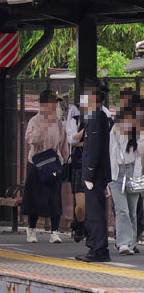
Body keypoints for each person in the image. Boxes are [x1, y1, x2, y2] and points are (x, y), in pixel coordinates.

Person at [23, 90, 69, 243]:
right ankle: (31, 229)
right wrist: (43, 127)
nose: (54, 106)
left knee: (54, 197)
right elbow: (29, 139)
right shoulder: (34, 121)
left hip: (53, 164)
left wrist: (64, 160)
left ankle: (54, 232)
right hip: (36, 163)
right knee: (34, 198)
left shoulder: (58, 122)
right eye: (51, 102)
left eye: (55, 103)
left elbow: (63, 144)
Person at [76, 79, 112, 263]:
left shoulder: (97, 117)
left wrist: (89, 172)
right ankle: (94, 246)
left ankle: (99, 249)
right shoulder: (94, 116)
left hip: (95, 175)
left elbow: (96, 148)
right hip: (95, 174)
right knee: (93, 212)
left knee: (96, 213)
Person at [108, 106, 144, 254]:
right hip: (117, 173)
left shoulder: (138, 135)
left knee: (132, 211)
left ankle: (131, 242)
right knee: (121, 209)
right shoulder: (114, 133)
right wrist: (108, 178)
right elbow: (110, 155)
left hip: (133, 172)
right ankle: (123, 243)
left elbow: (140, 155)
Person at [66, 102, 87, 241]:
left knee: (94, 202)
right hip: (79, 161)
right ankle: (80, 224)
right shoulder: (75, 113)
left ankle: (86, 228)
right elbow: (71, 140)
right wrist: (84, 134)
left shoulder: (103, 113)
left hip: (96, 162)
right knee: (80, 205)